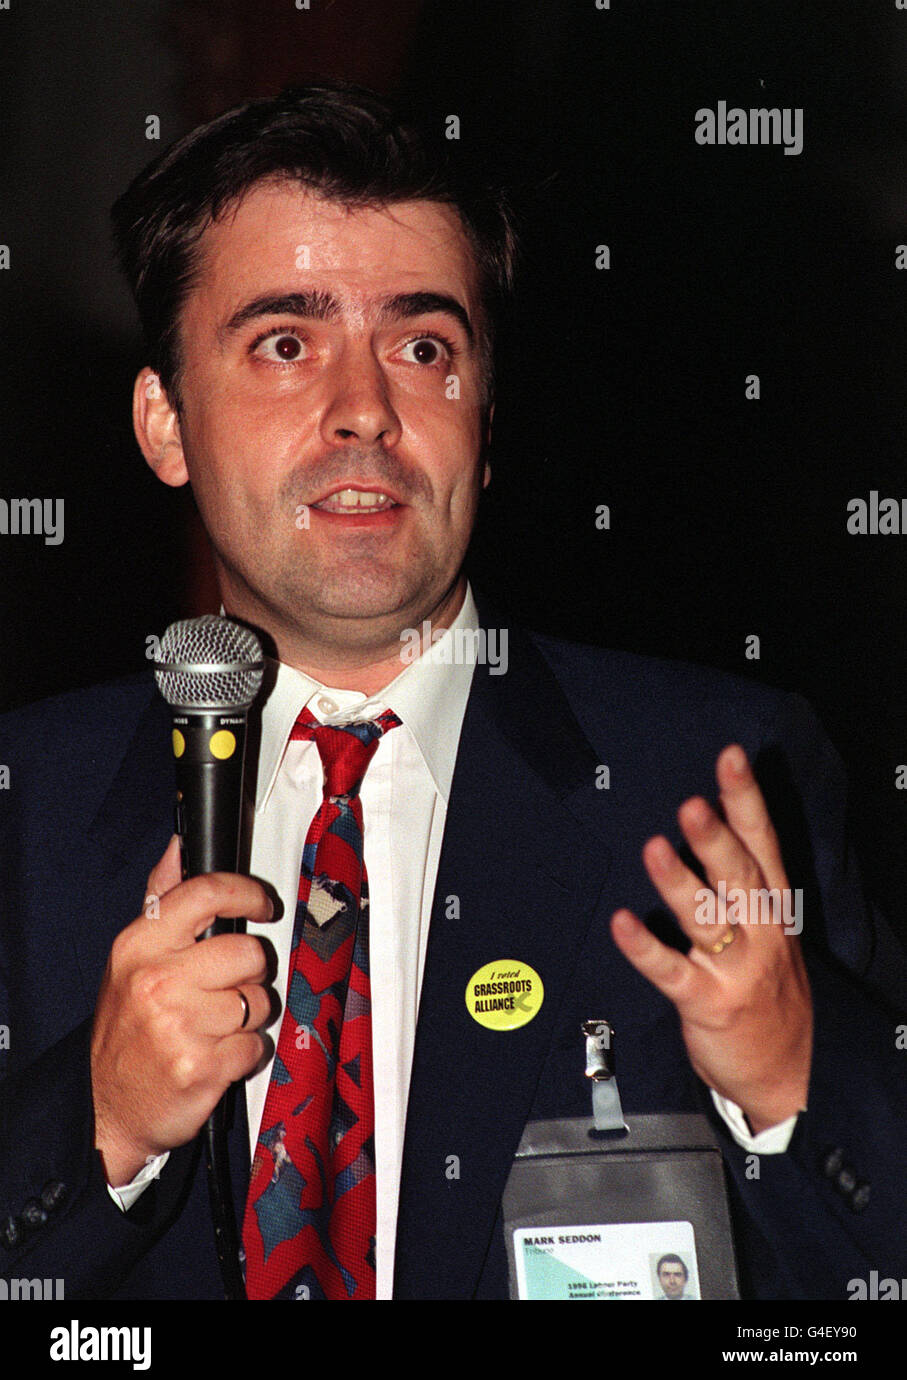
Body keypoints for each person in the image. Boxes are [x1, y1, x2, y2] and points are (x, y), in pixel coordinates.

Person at [0, 81, 904, 1301]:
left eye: (423, 347)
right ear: (165, 424)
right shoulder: (26, 806)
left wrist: (798, 1083)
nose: (365, 410)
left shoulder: (708, 775)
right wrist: (95, 1125)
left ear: (483, 422)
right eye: (285, 343)